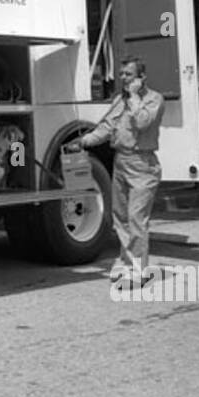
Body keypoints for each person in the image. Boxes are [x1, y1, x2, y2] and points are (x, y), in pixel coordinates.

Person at [78, 56, 164, 286]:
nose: (123, 78)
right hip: (121, 162)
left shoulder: (155, 99)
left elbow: (144, 122)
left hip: (143, 165)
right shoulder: (119, 100)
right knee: (121, 217)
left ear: (141, 78)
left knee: (137, 218)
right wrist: (85, 141)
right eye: (122, 74)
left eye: (128, 74)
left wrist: (134, 97)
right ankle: (126, 261)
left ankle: (138, 270)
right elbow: (107, 128)